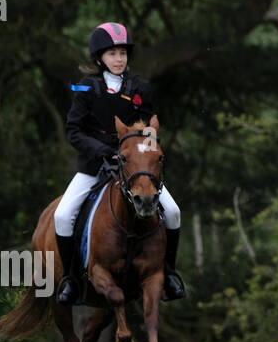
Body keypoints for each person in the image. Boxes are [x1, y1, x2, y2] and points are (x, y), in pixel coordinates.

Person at [56, 22, 186, 305]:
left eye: (123, 53)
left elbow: (149, 128)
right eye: (112, 53)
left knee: (173, 212)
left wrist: (146, 154)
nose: (119, 59)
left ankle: (170, 275)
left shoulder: (140, 87)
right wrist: (103, 151)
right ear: (99, 57)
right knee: (62, 216)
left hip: (135, 169)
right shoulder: (87, 88)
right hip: (94, 168)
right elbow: (74, 130)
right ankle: (70, 279)